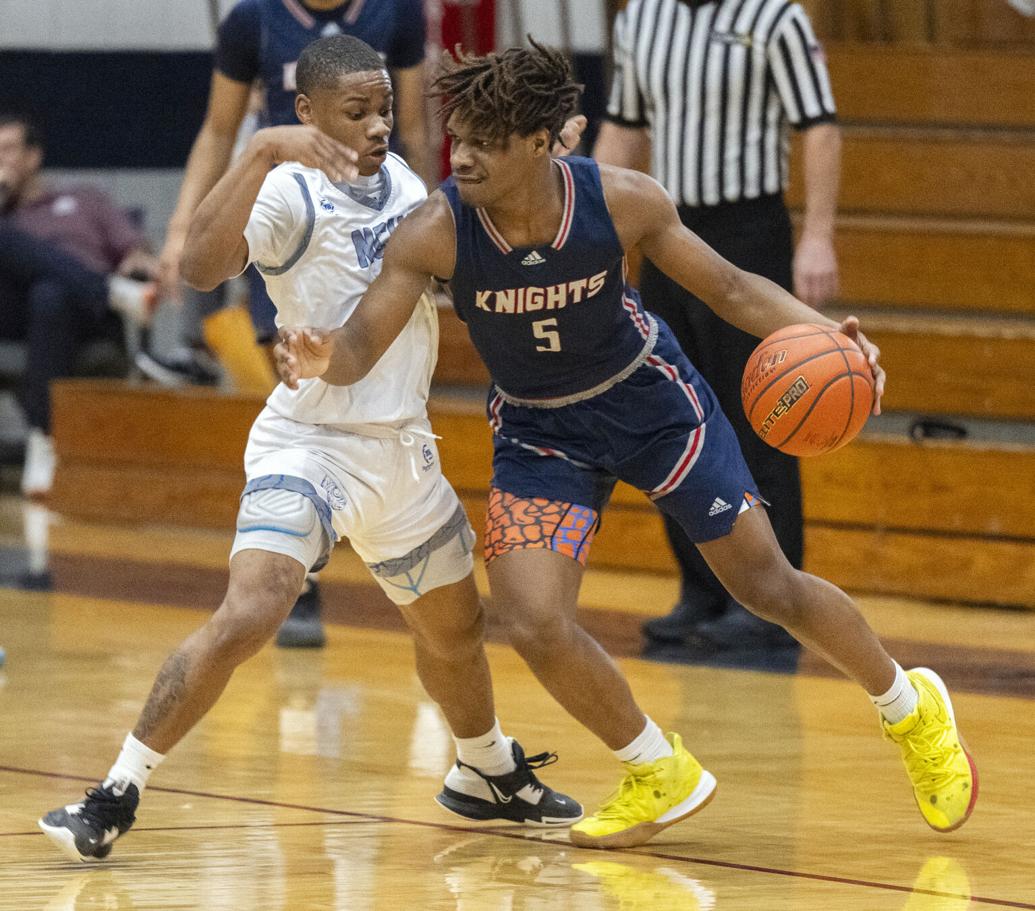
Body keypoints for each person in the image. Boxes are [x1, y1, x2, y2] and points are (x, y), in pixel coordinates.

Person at [274, 41, 978, 849]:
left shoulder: (623, 201)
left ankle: (907, 706)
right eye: (454, 138)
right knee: (531, 618)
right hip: (541, 428)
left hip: (651, 403)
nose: (458, 157)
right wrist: (327, 354)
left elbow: (732, 289)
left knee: (766, 585)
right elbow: (362, 341)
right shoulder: (436, 231)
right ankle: (655, 767)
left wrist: (834, 338)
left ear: (541, 144)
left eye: (482, 143)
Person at [36, 36, 581, 864]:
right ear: (307, 114)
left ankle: (483, 766)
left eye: (384, 110)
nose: (375, 126)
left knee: (456, 629)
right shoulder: (288, 191)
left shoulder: (405, 186)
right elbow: (203, 267)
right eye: (355, 113)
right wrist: (255, 153)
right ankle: (116, 789)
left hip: (400, 447)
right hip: (310, 439)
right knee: (255, 605)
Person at [158, 0, 435, 649]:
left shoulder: (395, 14)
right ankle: (298, 574)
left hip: (374, 219)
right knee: (292, 378)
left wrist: (433, 223)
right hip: (291, 224)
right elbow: (217, 129)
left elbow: (418, 129)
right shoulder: (251, 21)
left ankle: (384, 550)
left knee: (358, 376)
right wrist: (179, 228)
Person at [593, 0, 842, 658]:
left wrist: (817, 235)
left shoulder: (774, 17)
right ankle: (701, 590)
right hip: (663, 233)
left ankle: (774, 600)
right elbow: (622, 128)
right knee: (674, 411)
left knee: (766, 413)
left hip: (747, 232)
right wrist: (592, 234)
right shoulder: (640, 18)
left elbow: (818, 127)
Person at [0, 111, 158, 498]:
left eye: (7, 150)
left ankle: (43, 440)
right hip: (15, 314)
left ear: (33, 157)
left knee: (50, 294)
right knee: (42, 292)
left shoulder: (85, 198)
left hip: (87, 319)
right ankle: (110, 291)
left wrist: (138, 261)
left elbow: (135, 249)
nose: (0, 160)